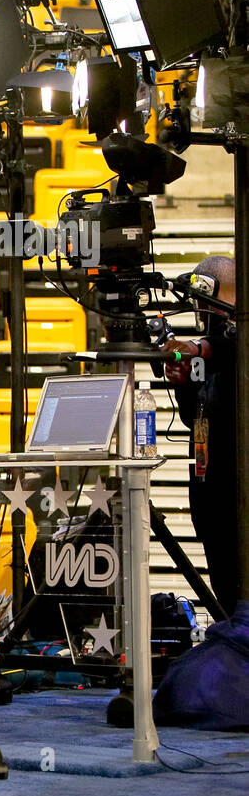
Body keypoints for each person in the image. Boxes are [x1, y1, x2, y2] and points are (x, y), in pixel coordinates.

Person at [163, 255, 240, 618]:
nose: (203, 314)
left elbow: (229, 346)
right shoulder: (206, 351)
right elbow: (194, 417)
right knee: (226, 597)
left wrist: (199, 349)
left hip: (241, 496)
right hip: (211, 496)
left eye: (209, 304)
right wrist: (182, 380)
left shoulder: (231, 344)